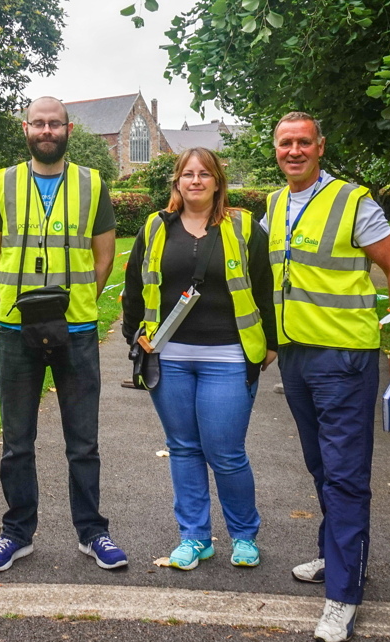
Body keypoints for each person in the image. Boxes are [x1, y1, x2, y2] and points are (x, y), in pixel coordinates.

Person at [265, 112, 390, 642]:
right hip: (295, 355)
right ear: (276, 149)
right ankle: (340, 558)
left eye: (303, 142)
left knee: (346, 474)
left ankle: (343, 595)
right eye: (285, 143)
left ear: (320, 147)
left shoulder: (354, 201)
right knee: (320, 466)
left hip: (345, 358)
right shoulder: (276, 202)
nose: (294, 151)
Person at [0, 96, 125, 572]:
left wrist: (76, 304)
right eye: (38, 123)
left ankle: (92, 532)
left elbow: (104, 258)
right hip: (16, 330)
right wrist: (20, 305)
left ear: (69, 128)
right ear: (25, 128)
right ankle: (17, 533)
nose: (46, 130)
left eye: (54, 123)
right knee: (17, 440)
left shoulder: (91, 183)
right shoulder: (1, 184)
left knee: (83, 442)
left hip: (77, 329)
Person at [122, 148, 276, 571]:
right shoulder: (155, 227)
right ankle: (194, 537)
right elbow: (135, 286)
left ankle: (244, 535)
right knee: (184, 448)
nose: (195, 181)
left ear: (217, 181)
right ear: (176, 182)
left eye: (204, 174)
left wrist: (272, 343)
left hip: (228, 355)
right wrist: (133, 334)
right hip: (168, 357)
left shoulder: (243, 226)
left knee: (225, 452)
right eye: (187, 174)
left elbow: (264, 286)